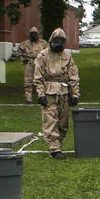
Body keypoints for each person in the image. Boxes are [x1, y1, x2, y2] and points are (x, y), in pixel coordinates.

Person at [33, 27, 79, 159]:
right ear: (51, 40)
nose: (58, 43)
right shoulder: (42, 55)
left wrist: (75, 94)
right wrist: (40, 93)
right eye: (56, 40)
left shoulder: (67, 56)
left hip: (64, 92)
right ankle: (54, 149)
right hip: (49, 92)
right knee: (50, 120)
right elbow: (38, 76)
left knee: (63, 123)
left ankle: (58, 144)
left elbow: (74, 75)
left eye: (61, 40)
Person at [16, 26, 47, 103]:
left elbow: (48, 53)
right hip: (29, 63)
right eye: (32, 34)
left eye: (35, 34)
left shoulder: (43, 43)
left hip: (40, 63)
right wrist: (23, 60)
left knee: (40, 80)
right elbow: (19, 53)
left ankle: (41, 96)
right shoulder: (25, 44)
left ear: (37, 34)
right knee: (28, 81)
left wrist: (45, 62)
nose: (33, 35)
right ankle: (28, 98)